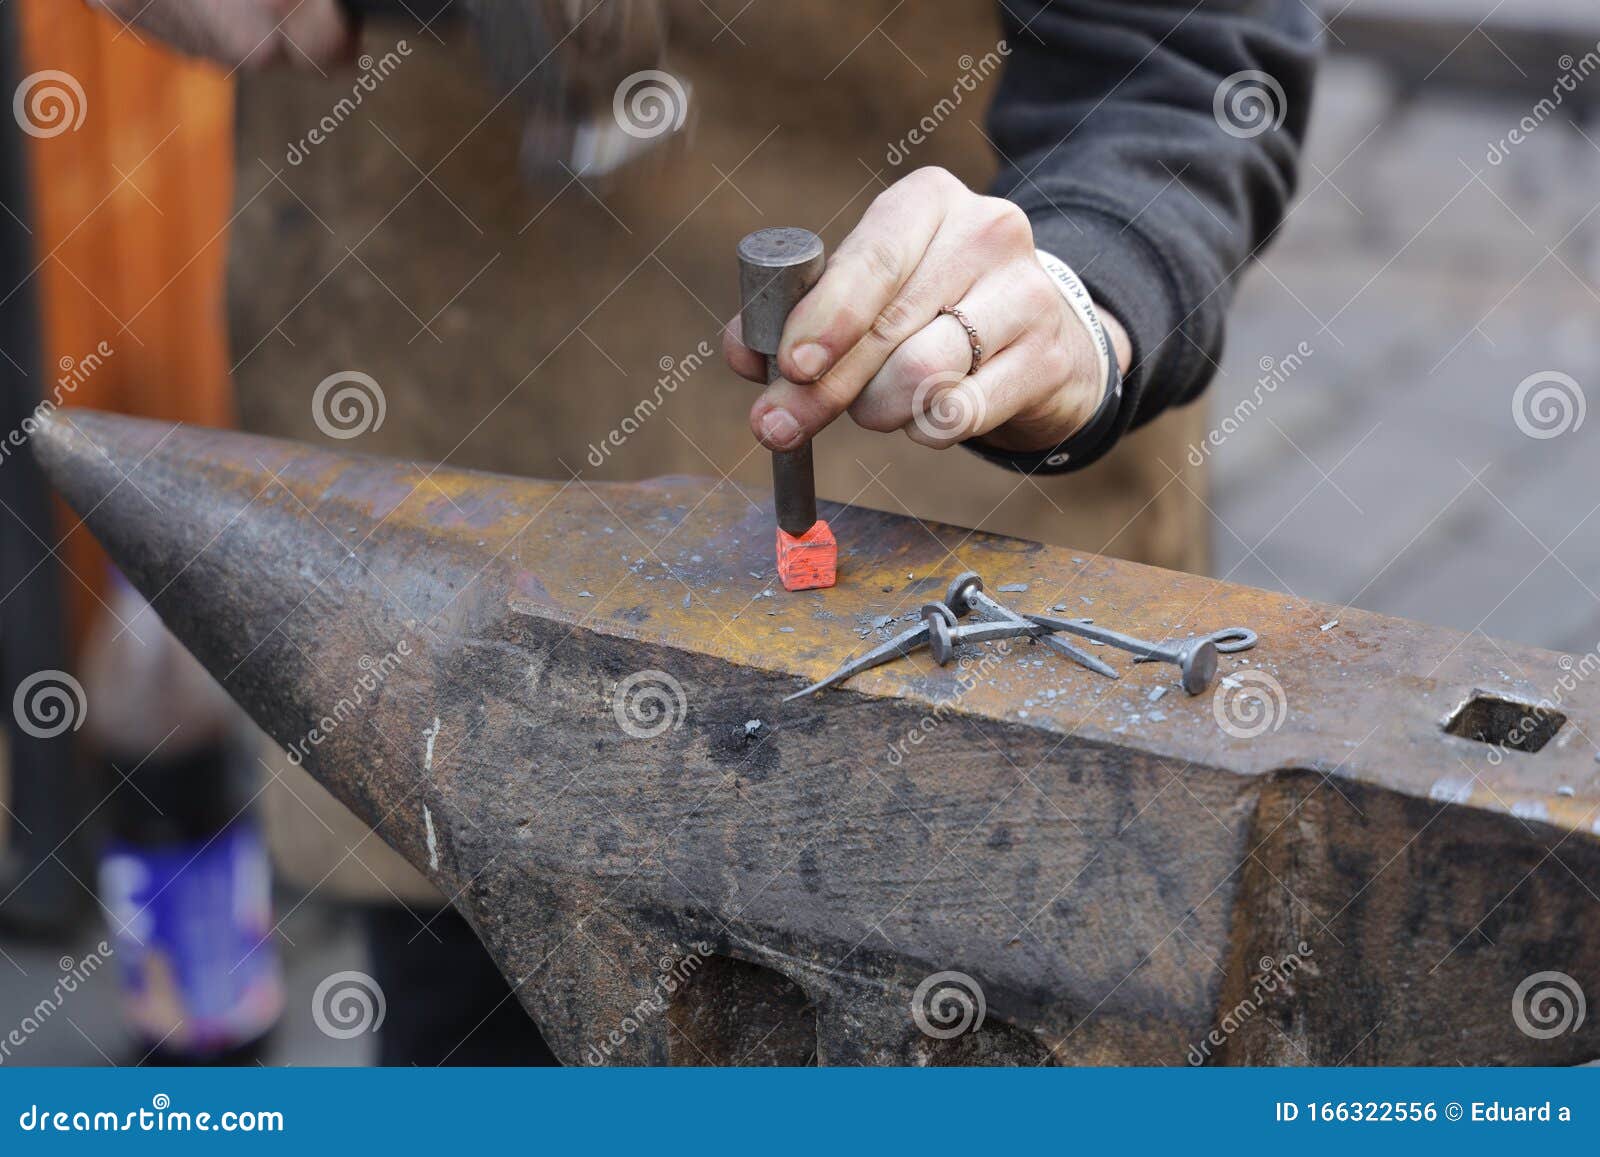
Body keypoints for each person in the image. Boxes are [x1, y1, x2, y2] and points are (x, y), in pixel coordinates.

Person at [84, 0, 1317, 1064]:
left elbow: (1188, 56)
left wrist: (1089, 285)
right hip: (443, 475)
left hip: (938, 523)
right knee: (482, 1004)